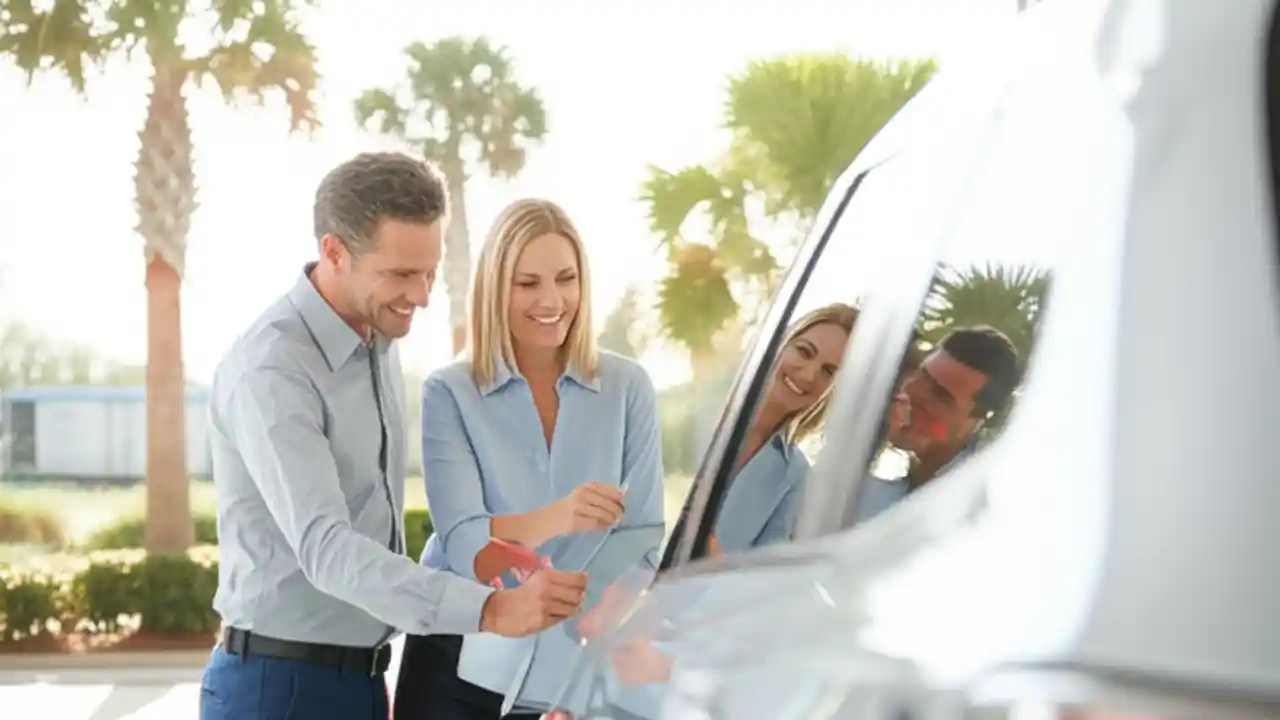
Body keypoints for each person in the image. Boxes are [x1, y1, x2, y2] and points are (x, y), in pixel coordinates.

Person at [199, 153, 587, 720]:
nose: (422, 295)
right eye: (402, 275)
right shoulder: (274, 368)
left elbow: (372, 534)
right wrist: (491, 610)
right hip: (278, 690)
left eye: (430, 272)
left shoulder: (375, 341)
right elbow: (328, 549)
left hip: (359, 681)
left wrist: (473, 554)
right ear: (335, 252)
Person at [393, 198, 666, 719]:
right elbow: (466, 540)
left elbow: (644, 533)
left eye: (566, 279)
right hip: (457, 657)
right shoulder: (449, 392)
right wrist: (561, 517)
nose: (552, 300)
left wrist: (582, 610)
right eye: (528, 283)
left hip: (570, 666)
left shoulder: (628, 388)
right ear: (496, 289)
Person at [706, 302, 857, 555]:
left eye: (828, 372)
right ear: (782, 343)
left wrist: (709, 550)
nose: (808, 375)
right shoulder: (702, 413)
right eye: (804, 352)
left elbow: (760, 569)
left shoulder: (796, 475)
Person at [851, 324, 1021, 524]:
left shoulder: (976, 510)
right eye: (922, 375)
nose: (913, 393)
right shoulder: (898, 473)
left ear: (978, 417)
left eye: (940, 395)